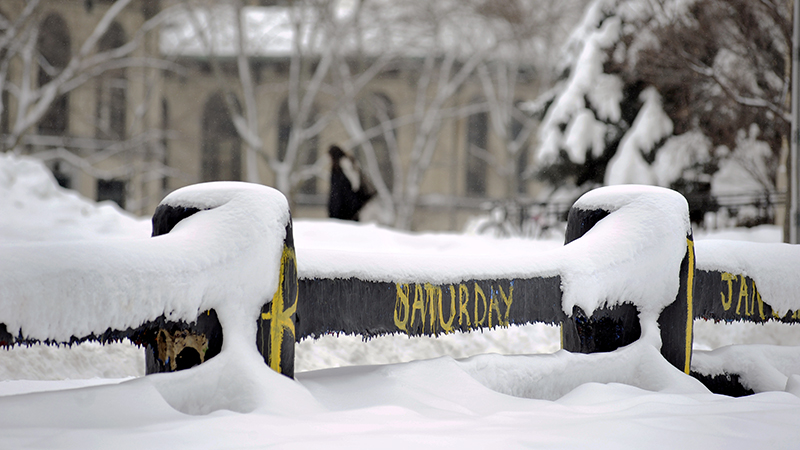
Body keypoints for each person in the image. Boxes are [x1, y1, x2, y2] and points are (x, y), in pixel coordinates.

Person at [327, 145, 375, 221]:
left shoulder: (338, 170)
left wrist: (333, 211)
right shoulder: (351, 164)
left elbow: (337, 193)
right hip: (353, 208)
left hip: (344, 210)